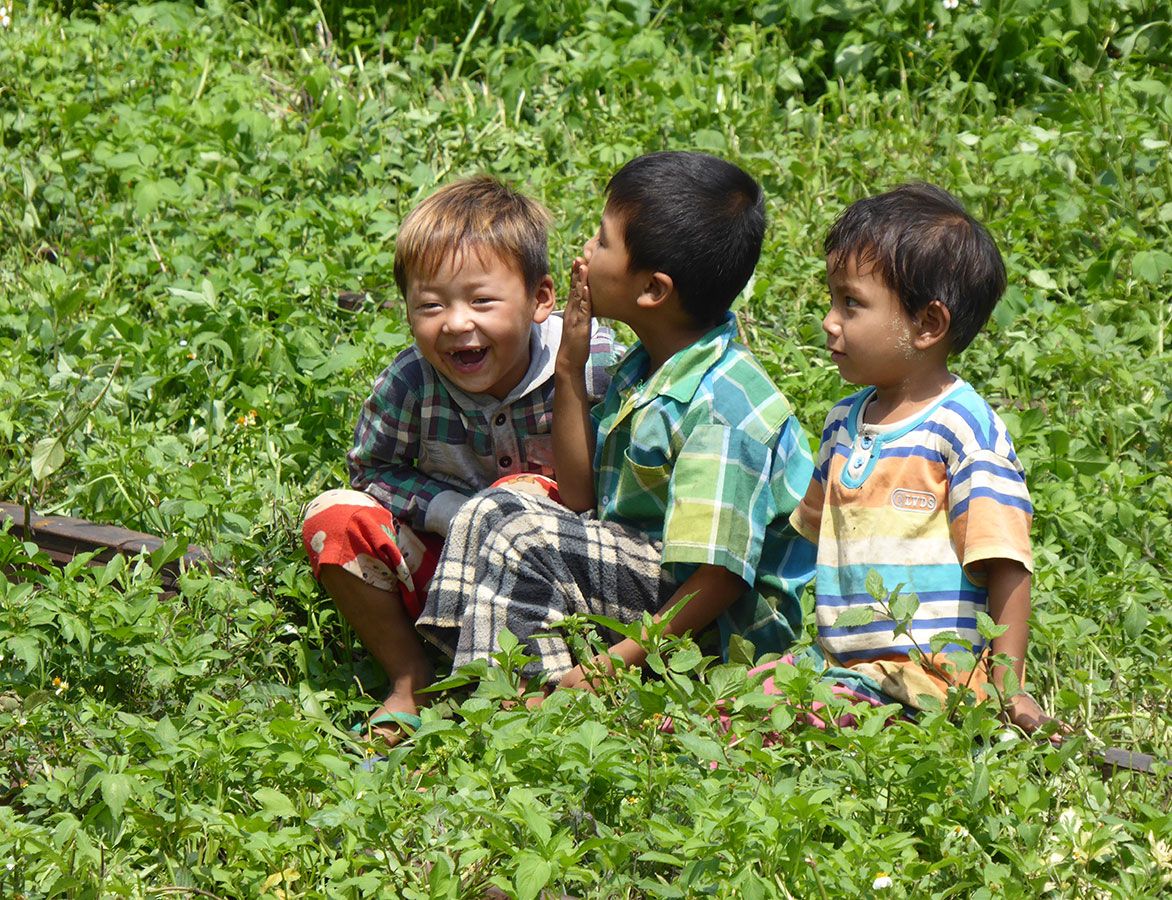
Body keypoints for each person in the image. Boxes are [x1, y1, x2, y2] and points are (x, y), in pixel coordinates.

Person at [417, 151, 815, 693]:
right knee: (500, 508)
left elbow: (719, 581)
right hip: (643, 575)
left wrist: (609, 666)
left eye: (603, 241)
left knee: (516, 525)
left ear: (653, 290)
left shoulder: (723, 408)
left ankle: (520, 706)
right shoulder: (646, 365)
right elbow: (581, 497)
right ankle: (484, 686)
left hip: (714, 631)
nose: (586, 249)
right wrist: (570, 369)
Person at [302, 176, 617, 743]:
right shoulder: (410, 383)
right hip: (443, 575)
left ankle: (523, 692)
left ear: (542, 299)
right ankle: (411, 676)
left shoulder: (590, 365)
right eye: (430, 305)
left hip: (552, 585)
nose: (455, 322)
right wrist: (450, 510)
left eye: (482, 300)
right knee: (333, 518)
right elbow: (371, 473)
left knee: (521, 493)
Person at [790, 181, 1059, 735]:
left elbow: (1006, 561)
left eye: (851, 303)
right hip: (844, 673)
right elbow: (806, 539)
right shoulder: (843, 422)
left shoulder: (962, 431)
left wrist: (1012, 689)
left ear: (927, 325)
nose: (829, 321)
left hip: (932, 684)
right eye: (832, 299)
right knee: (761, 694)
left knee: (783, 716)